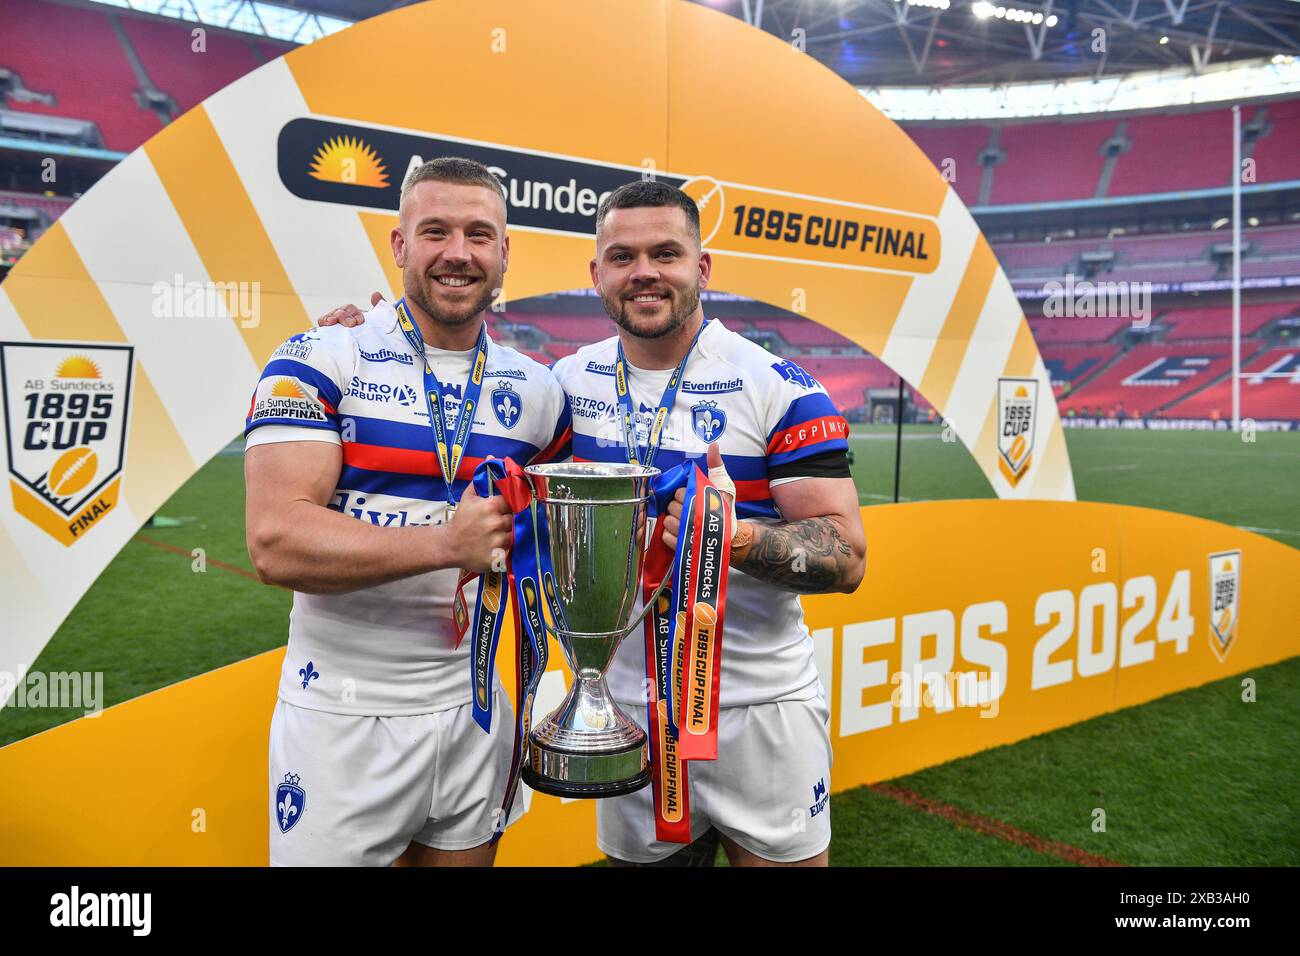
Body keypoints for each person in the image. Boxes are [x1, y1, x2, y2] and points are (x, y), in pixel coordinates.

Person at [318, 181, 866, 868]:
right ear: (597, 275)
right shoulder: (564, 386)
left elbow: (847, 556)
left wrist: (738, 537)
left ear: (702, 267)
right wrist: (370, 339)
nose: (644, 272)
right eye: (622, 255)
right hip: (620, 709)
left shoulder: (778, 387)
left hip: (760, 711)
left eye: (666, 253)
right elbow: (466, 392)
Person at [244, 157, 570, 866]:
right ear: (399, 246)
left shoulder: (540, 393)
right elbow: (274, 543)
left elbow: (568, 531)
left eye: (480, 234)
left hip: (477, 711)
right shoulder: (321, 356)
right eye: (436, 232)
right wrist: (444, 544)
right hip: (340, 718)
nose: (459, 253)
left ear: (505, 253)